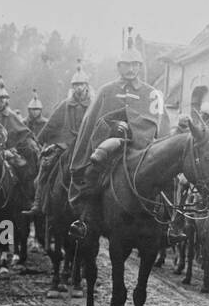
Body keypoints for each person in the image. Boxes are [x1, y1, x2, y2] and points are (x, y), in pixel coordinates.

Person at [68, 45, 167, 209]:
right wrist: (112, 126)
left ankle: (172, 224)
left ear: (140, 67)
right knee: (94, 171)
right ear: (119, 67)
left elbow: (161, 125)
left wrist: (140, 131)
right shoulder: (106, 91)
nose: (131, 68)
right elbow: (91, 123)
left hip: (144, 147)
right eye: (126, 64)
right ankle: (87, 217)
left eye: (135, 64)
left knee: (168, 176)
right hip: (112, 148)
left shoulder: (152, 94)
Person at [24, 62, 93, 218]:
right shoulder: (65, 104)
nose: (79, 88)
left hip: (88, 147)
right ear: (72, 87)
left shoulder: (93, 104)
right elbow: (51, 125)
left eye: (81, 84)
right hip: (66, 146)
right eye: (75, 85)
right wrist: (40, 140)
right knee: (46, 165)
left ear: (87, 86)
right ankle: (38, 202)